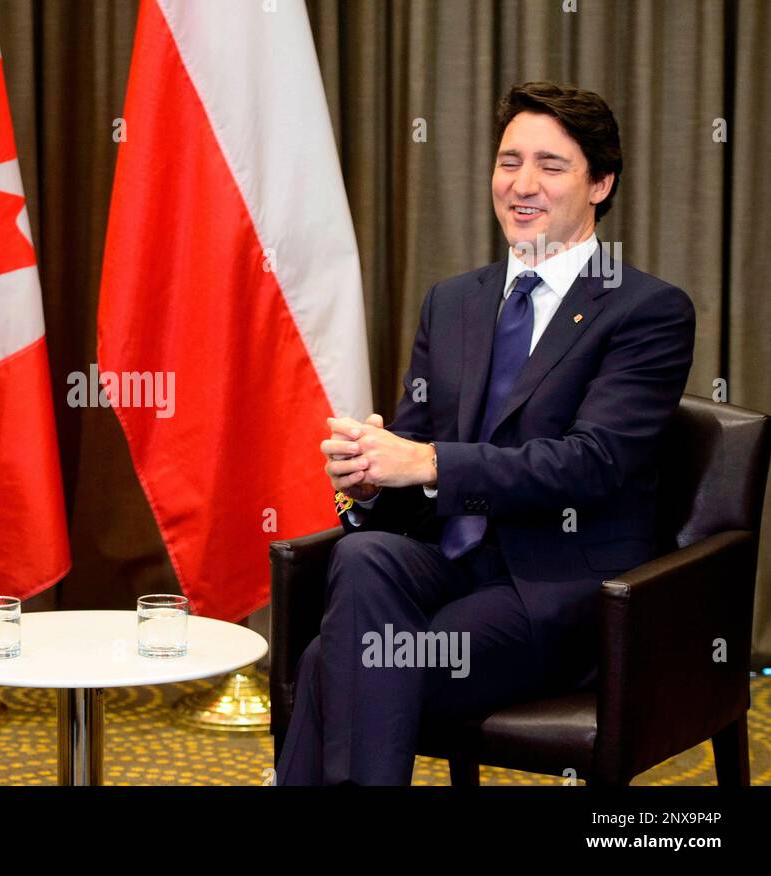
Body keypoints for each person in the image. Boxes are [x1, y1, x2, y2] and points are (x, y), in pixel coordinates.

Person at [276, 82, 696, 785]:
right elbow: (413, 472)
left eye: (550, 166)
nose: (521, 185)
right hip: (454, 560)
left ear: (600, 183)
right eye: (508, 161)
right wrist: (372, 477)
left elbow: (591, 464)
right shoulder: (453, 302)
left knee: (334, 661)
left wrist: (431, 461)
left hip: (562, 585)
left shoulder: (646, 309)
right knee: (365, 557)